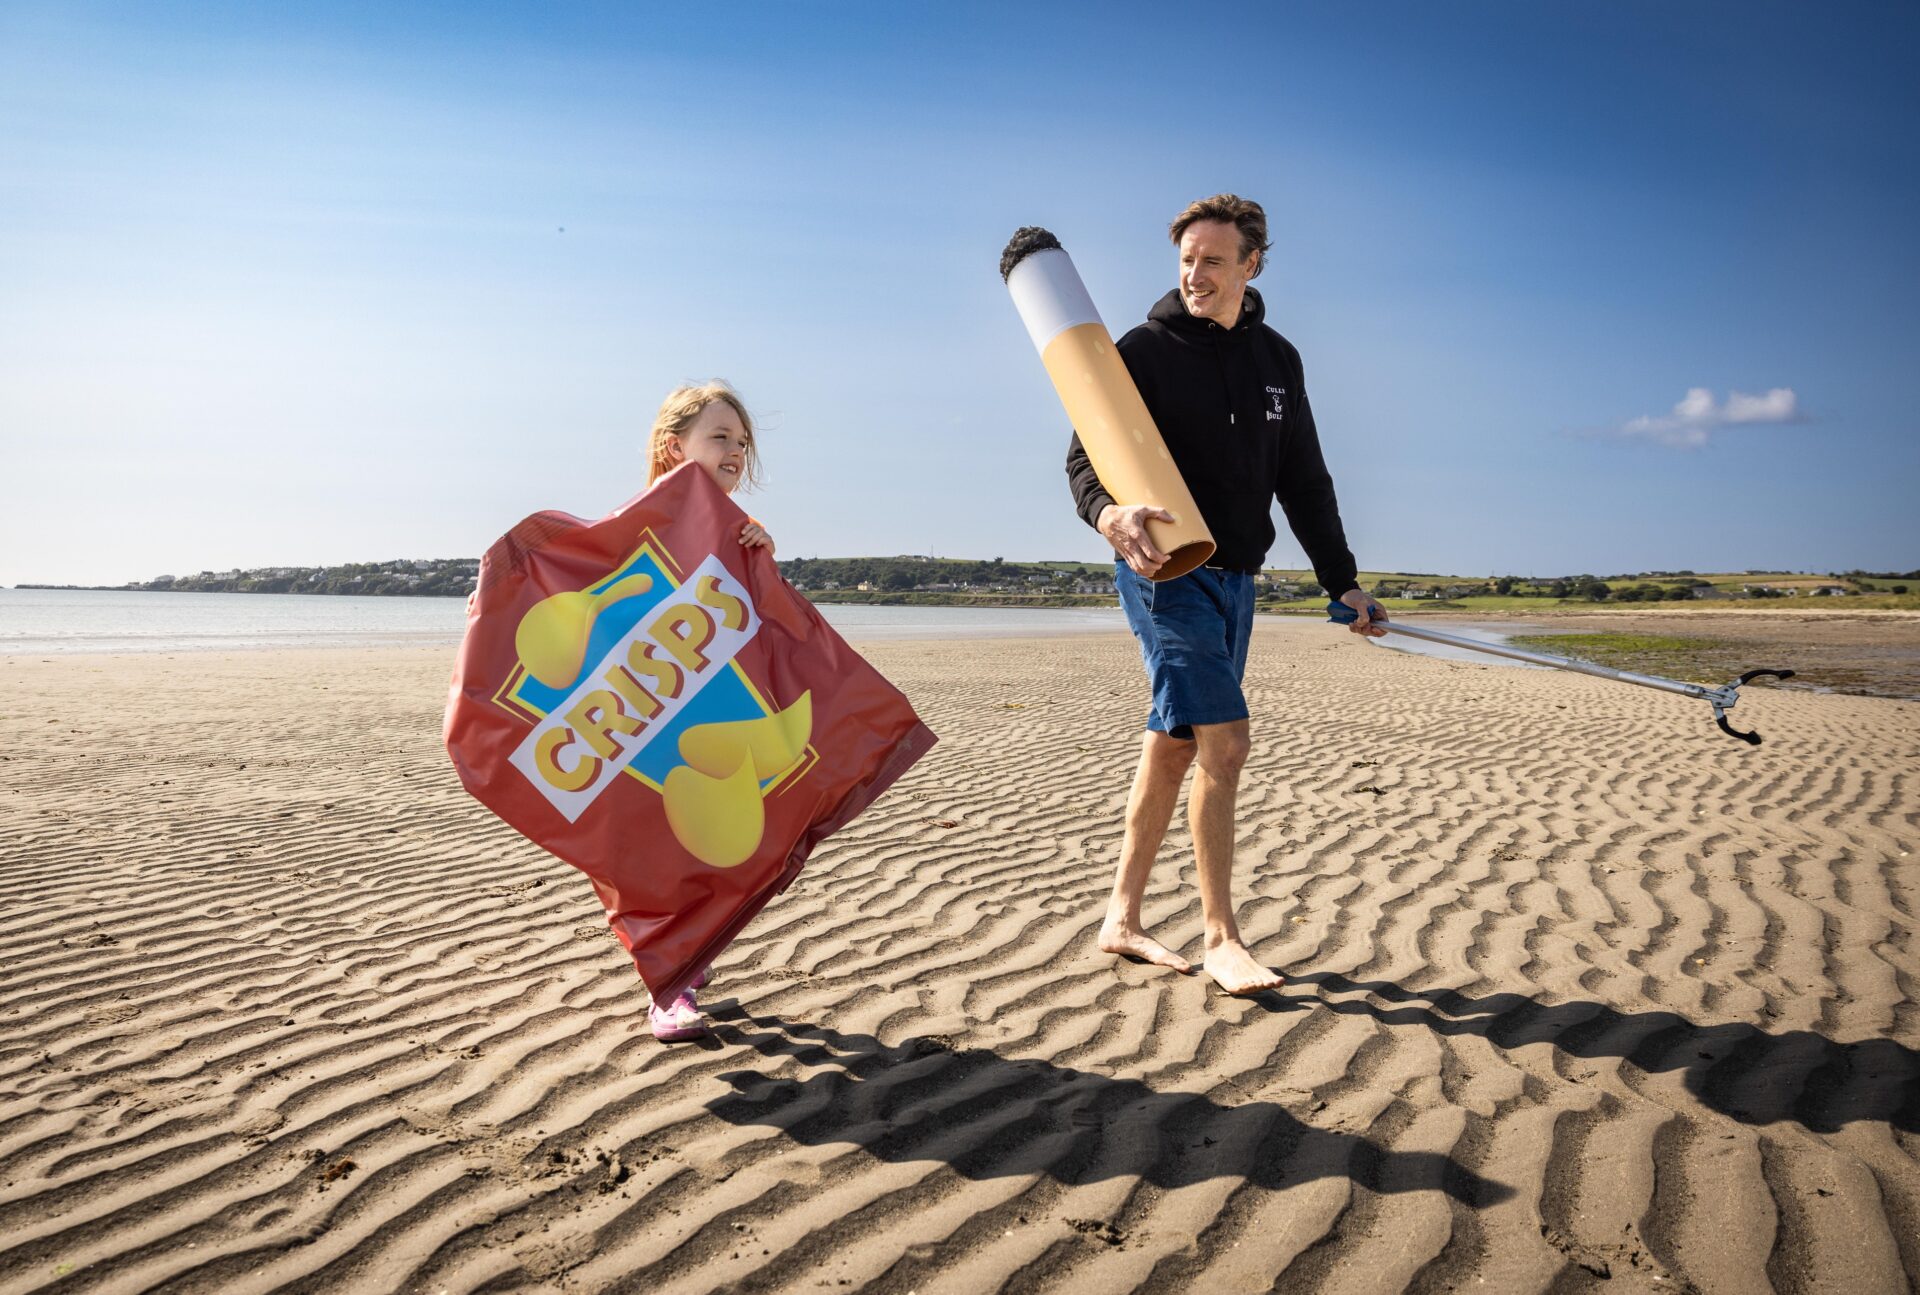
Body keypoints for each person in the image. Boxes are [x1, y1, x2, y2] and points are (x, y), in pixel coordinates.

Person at [1065, 194, 1387, 995]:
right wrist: (1108, 515)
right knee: (1227, 743)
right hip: (1164, 569)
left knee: (1175, 744)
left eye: (1213, 259)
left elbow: (1304, 480)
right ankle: (1221, 937)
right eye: (1185, 260)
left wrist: (1341, 580)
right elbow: (1082, 459)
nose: (1195, 274)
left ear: (1251, 263)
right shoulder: (1141, 349)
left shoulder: (1279, 360)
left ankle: (1122, 918)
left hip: (1238, 577)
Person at [638, 380, 774, 1039]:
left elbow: (762, 618)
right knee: (657, 852)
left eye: (742, 442)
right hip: (644, 715)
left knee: (718, 844)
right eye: (719, 437)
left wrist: (761, 556)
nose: (734, 451)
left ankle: (691, 957)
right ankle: (670, 985)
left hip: (713, 714)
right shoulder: (635, 522)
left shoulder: (736, 530)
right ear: (673, 448)